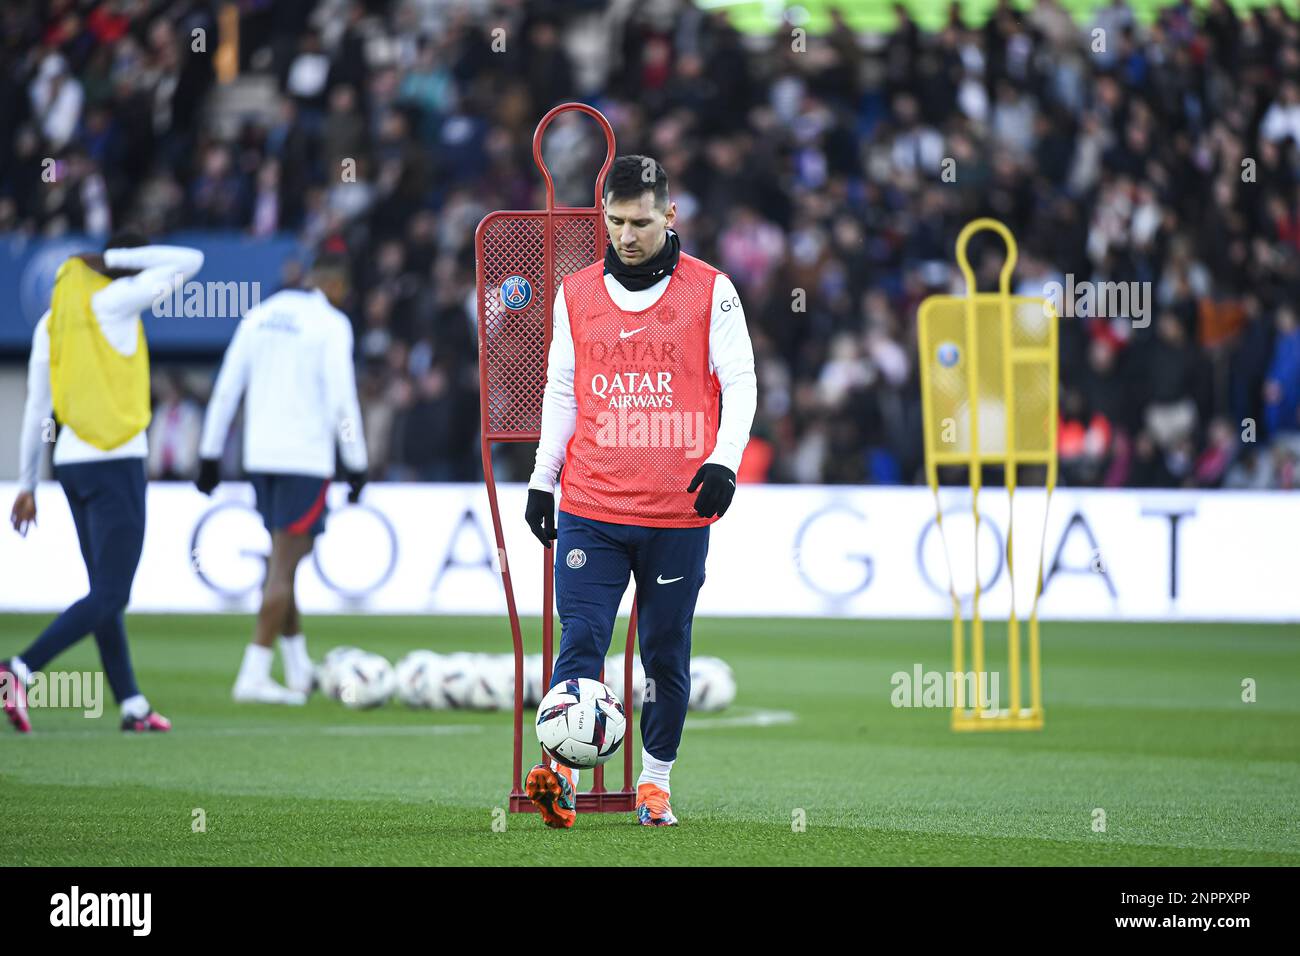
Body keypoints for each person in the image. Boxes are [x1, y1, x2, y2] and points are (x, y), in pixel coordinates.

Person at [523, 155, 757, 827]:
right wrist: (544, 478)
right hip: (591, 504)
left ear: (670, 215)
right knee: (583, 637)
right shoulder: (575, 293)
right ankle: (561, 779)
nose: (628, 235)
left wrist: (725, 461)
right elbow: (562, 388)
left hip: (677, 511)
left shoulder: (712, 291)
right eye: (617, 222)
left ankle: (654, 787)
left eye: (642, 222)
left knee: (663, 649)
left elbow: (740, 381)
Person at [4, 235, 204, 733]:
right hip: (117, 461)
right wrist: (117, 261)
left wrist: (27, 484)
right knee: (113, 592)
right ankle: (19, 669)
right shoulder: (115, 301)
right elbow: (190, 260)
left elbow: (35, 410)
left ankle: (132, 704)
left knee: (104, 590)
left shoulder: (53, 323)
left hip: (70, 463)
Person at [196, 255, 368, 705]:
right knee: (285, 565)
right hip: (304, 459)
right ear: (332, 284)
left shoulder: (260, 315)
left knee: (282, 559)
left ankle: (296, 667)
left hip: (261, 458)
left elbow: (227, 386)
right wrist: (357, 460)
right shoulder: (330, 324)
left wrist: (209, 454)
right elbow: (342, 397)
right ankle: (253, 672)